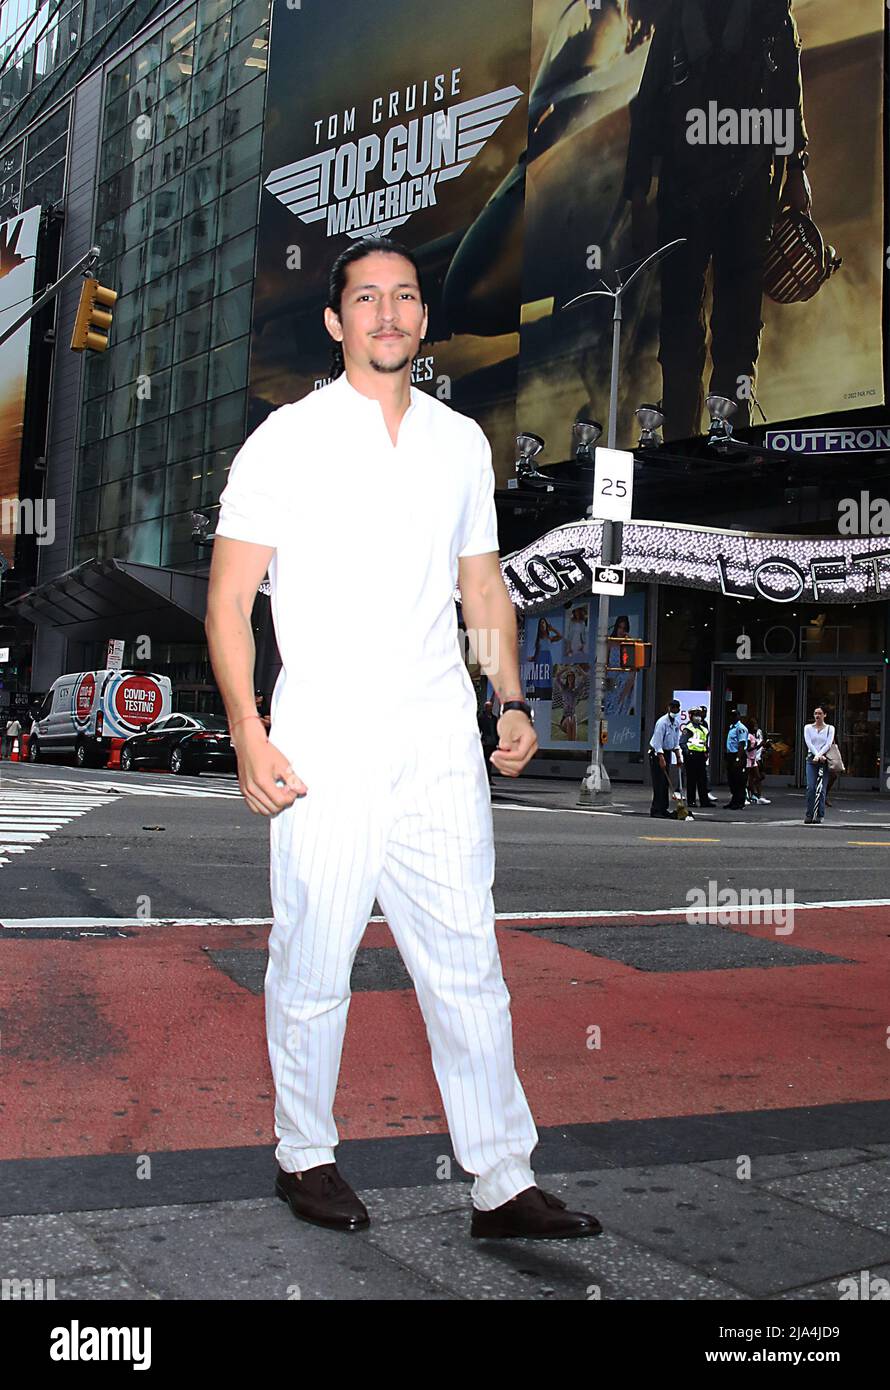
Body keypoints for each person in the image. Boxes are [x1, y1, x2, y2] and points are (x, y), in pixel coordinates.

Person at [206, 235, 601, 1242]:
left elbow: (481, 588)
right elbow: (226, 603)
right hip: (323, 733)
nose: (387, 313)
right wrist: (249, 733)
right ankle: (304, 1153)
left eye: (405, 297)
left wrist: (507, 697)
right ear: (337, 323)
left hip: (435, 738)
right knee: (313, 955)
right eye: (366, 299)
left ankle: (501, 1179)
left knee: (465, 955)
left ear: (423, 319)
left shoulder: (459, 444)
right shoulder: (284, 442)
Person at [624, 0, 810, 439]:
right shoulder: (677, 17)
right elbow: (650, 104)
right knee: (680, 331)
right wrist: (637, 196)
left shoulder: (771, 14)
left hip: (746, 192)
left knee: (739, 329)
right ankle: (679, 441)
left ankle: (732, 433)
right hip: (685, 193)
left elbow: (787, 91)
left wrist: (798, 169)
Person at [648, 698, 684, 818]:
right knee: (659, 782)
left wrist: (678, 756)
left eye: (677, 708)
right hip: (657, 753)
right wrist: (661, 758)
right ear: (669, 708)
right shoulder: (662, 722)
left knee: (665, 783)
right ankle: (656, 809)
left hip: (667, 753)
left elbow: (675, 742)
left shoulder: (675, 723)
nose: (675, 710)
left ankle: (663, 808)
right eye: (673, 707)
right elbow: (657, 742)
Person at [803, 706, 834, 824]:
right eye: (815, 713)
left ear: (825, 715)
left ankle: (820, 815)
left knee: (821, 789)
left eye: (820, 713)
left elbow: (828, 743)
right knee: (811, 787)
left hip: (824, 759)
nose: (817, 716)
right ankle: (809, 814)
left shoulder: (830, 728)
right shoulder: (808, 728)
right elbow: (809, 743)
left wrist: (820, 755)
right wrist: (816, 755)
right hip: (812, 758)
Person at [680, 706, 709, 808]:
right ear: (691, 716)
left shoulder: (704, 729)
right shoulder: (688, 728)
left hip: (701, 756)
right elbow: (682, 742)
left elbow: (704, 743)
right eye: (696, 715)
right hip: (691, 755)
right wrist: (687, 752)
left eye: (699, 715)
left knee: (702, 779)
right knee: (691, 779)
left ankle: (704, 801)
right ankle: (691, 801)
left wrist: (706, 752)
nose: (698, 717)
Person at [724, 709, 749, 809]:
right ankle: (734, 800)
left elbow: (742, 744)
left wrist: (738, 758)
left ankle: (739, 802)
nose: (732, 717)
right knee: (732, 780)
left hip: (738, 755)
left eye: (735, 715)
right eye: (731, 716)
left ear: (739, 716)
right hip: (731, 755)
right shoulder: (731, 727)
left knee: (739, 780)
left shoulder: (740, 728)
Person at [743, 715, 770, 805]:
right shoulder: (748, 735)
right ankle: (748, 795)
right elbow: (748, 749)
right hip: (748, 758)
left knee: (758, 777)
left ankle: (757, 795)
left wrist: (764, 745)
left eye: (756, 724)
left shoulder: (758, 733)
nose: (755, 726)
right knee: (749, 777)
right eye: (753, 724)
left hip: (755, 758)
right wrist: (759, 745)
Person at [477, 698, 499, 783]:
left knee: (490, 762)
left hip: (493, 742)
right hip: (485, 742)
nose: (489, 708)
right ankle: (485, 779)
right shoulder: (481, 718)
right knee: (485, 761)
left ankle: (489, 779)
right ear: (485, 707)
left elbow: (496, 730)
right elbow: (478, 730)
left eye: (490, 707)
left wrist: (497, 741)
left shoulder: (494, 718)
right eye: (488, 707)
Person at [556, 668, 579, 740]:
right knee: (569, 719)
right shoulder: (564, 688)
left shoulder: (575, 690)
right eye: (569, 677)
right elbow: (557, 676)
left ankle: (573, 744)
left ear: (574, 679)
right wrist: (566, 668)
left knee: (574, 717)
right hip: (565, 720)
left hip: (573, 718)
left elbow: (585, 678)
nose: (570, 678)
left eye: (572, 677)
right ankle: (570, 743)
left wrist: (579, 668)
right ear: (567, 678)